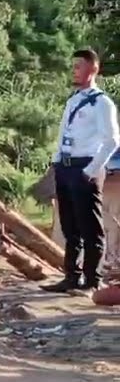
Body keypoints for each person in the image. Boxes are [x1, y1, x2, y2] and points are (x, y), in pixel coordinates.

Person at [44, 48, 120, 294]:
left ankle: (92, 280)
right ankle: (70, 277)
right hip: (65, 167)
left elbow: (112, 140)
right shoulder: (73, 100)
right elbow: (63, 135)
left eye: (79, 66)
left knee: (90, 227)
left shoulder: (102, 103)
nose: (74, 71)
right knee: (69, 227)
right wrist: (56, 162)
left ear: (93, 69)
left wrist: (91, 169)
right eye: (73, 66)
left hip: (86, 167)